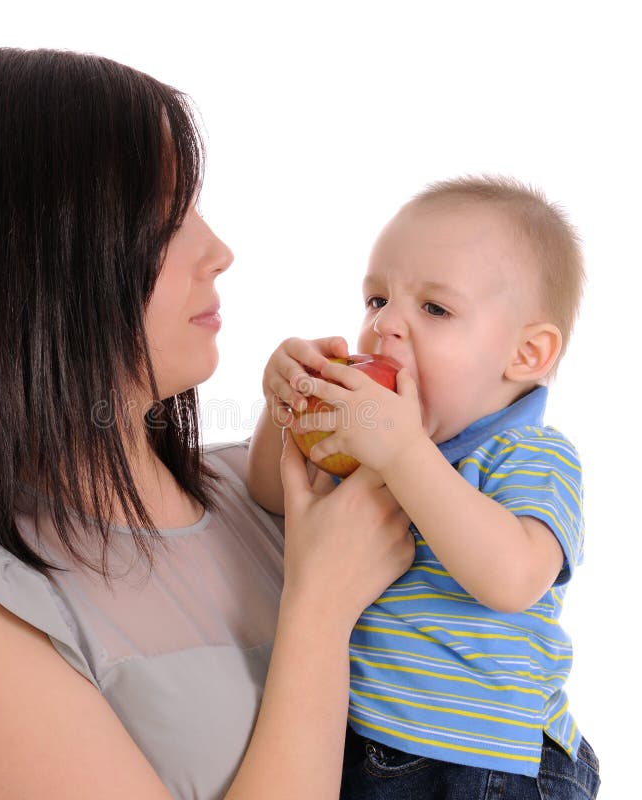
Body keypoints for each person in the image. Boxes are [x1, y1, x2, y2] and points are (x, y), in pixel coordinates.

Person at [0, 49, 416, 800]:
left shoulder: (272, 488)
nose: (218, 251)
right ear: (33, 263)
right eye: (163, 219)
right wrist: (321, 609)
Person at [247, 177, 601, 798]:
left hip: (484, 763)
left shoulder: (530, 455)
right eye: (377, 299)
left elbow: (512, 578)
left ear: (526, 354)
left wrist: (405, 452)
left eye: (434, 309)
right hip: (357, 747)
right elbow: (271, 496)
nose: (385, 326)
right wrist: (288, 405)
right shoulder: (375, 446)